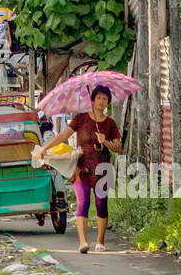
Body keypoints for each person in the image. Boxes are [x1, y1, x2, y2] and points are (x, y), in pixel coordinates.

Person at [32, 85, 122, 253]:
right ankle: (83, 242)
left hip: (102, 168)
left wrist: (106, 142)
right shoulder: (80, 119)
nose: (102, 101)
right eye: (99, 98)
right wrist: (44, 149)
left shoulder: (110, 123)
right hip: (82, 167)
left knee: (102, 204)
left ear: (108, 102)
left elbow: (118, 147)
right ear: (93, 100)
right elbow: (62, 136)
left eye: (105, 98)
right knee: (83, 203)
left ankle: (100, 242)